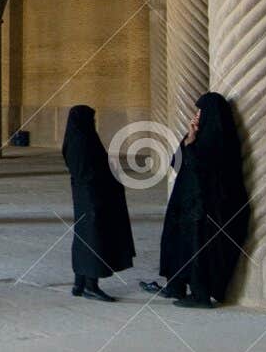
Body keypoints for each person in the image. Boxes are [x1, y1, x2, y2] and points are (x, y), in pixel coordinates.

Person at [142, 92, 250, 308]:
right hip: (186, 203)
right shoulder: (199, 135)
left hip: (204, 207)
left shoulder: (220, 139)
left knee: (198, 249)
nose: (197, 115)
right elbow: (177, 163)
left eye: (201, 111)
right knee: (176, 243)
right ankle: (176, 285)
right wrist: (188, 138)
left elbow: (204, 169)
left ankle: (201, 295)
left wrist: (191, 145)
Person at [60, 105, 136, 301]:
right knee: (94, 238)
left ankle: (79, 283)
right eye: (91, 120)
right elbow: (89, 172)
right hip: (92, 198)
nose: (93, 123)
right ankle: (91, 286)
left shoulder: (76, 139)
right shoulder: (83, 142)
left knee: (84, 238)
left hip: (86, 197)